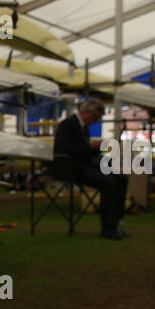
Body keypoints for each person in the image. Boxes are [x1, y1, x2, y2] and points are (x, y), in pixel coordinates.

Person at [53, 97, 128, 239]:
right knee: (109, 183)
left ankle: (118, 223)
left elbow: (82, 151)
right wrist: (89, 146)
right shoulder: (67, 125)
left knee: (121, 179)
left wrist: (97, 148)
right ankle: (108, 227)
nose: (96, 121)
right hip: (73, 168)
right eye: (96, 117)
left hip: (85, 165)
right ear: (87, 112)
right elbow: (63, 150)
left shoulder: (83, 128)